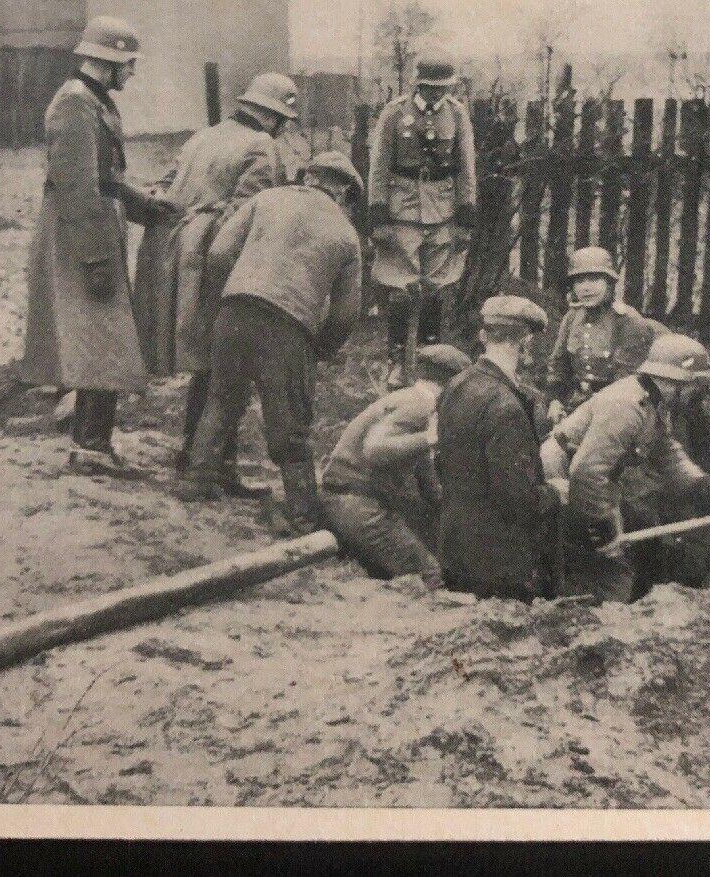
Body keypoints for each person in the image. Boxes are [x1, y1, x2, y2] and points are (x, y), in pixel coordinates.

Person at [19, 16, 181, 478]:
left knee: (102, 333)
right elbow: (78, 188)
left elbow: (107, 181)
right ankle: (89, 447)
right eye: (128, 63)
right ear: (107, 61)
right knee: (98, 334)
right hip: (78, 232)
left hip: (94, 225)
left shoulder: (92, 100)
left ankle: (92, 440)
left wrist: (146, 207)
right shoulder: (74, 105)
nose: (132, 73)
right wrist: (94, 257)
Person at [175, 151, 364, 535]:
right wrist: (322, 347)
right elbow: (346, 313)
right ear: (343, 191)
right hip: (288, 326)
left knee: (221, 397)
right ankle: (301, 512)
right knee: (290, 420)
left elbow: (220, 253)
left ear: (309, 176)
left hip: (235, 310)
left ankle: (197, 478)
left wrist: (231, 295)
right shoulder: (346, 234)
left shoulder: (266, 199)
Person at [133, 72, 297, 492]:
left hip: (174, 251)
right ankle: (209, 464)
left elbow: (164, 190)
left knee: (209, 362)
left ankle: (202, 455)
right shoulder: (262, 147)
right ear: (275, 116)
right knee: (226, 361)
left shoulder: (202, 137)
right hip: (213, 260)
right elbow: (244, 218)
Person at [539, 334, 710, 600]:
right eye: (695, 387)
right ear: (675, 384)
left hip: (592, 480)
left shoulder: (653, 402)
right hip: (565, 480)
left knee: (642, 536)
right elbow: (587, 472)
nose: (697, 396)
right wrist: (602, 527)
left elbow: (667, 453)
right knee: (612, 572)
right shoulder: (626, 406)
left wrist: (708, 493)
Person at [433, 294, 560, 600]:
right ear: (527, 344)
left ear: (483, 337)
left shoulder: (457, 385)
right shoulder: (505, 406)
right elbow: (517, 498)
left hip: (454, 548)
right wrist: (555, 492)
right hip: (497, 562)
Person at [545, 245, 710, 470]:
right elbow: (559, 364)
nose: (586, 288)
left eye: (594, 280)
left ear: (610, 283)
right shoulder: (572, 317)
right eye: (579, 281)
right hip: (577, 402)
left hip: (617, 408)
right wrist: (555, 399)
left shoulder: (628, 321)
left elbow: (627, 382)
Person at [319, 343, 473, 586]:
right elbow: (374, 450)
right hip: (357, 504)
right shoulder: (421, 405)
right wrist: (430, 439)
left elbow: (428, 483)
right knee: (430, 576)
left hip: (350, 501)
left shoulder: (412, 400)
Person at [368, 52, 477, 386]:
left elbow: (466, 168)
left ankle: (430, 360)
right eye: (429, 87)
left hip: (442, 212)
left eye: (441, 87)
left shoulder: (457, 114)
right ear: (417, 83)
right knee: (400, 287)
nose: (434, 93)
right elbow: (379, 166)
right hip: (403, 210)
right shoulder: (394, 113)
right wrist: (379, 217)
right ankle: (398, 361)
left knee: (435, 289)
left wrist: (465, 218)